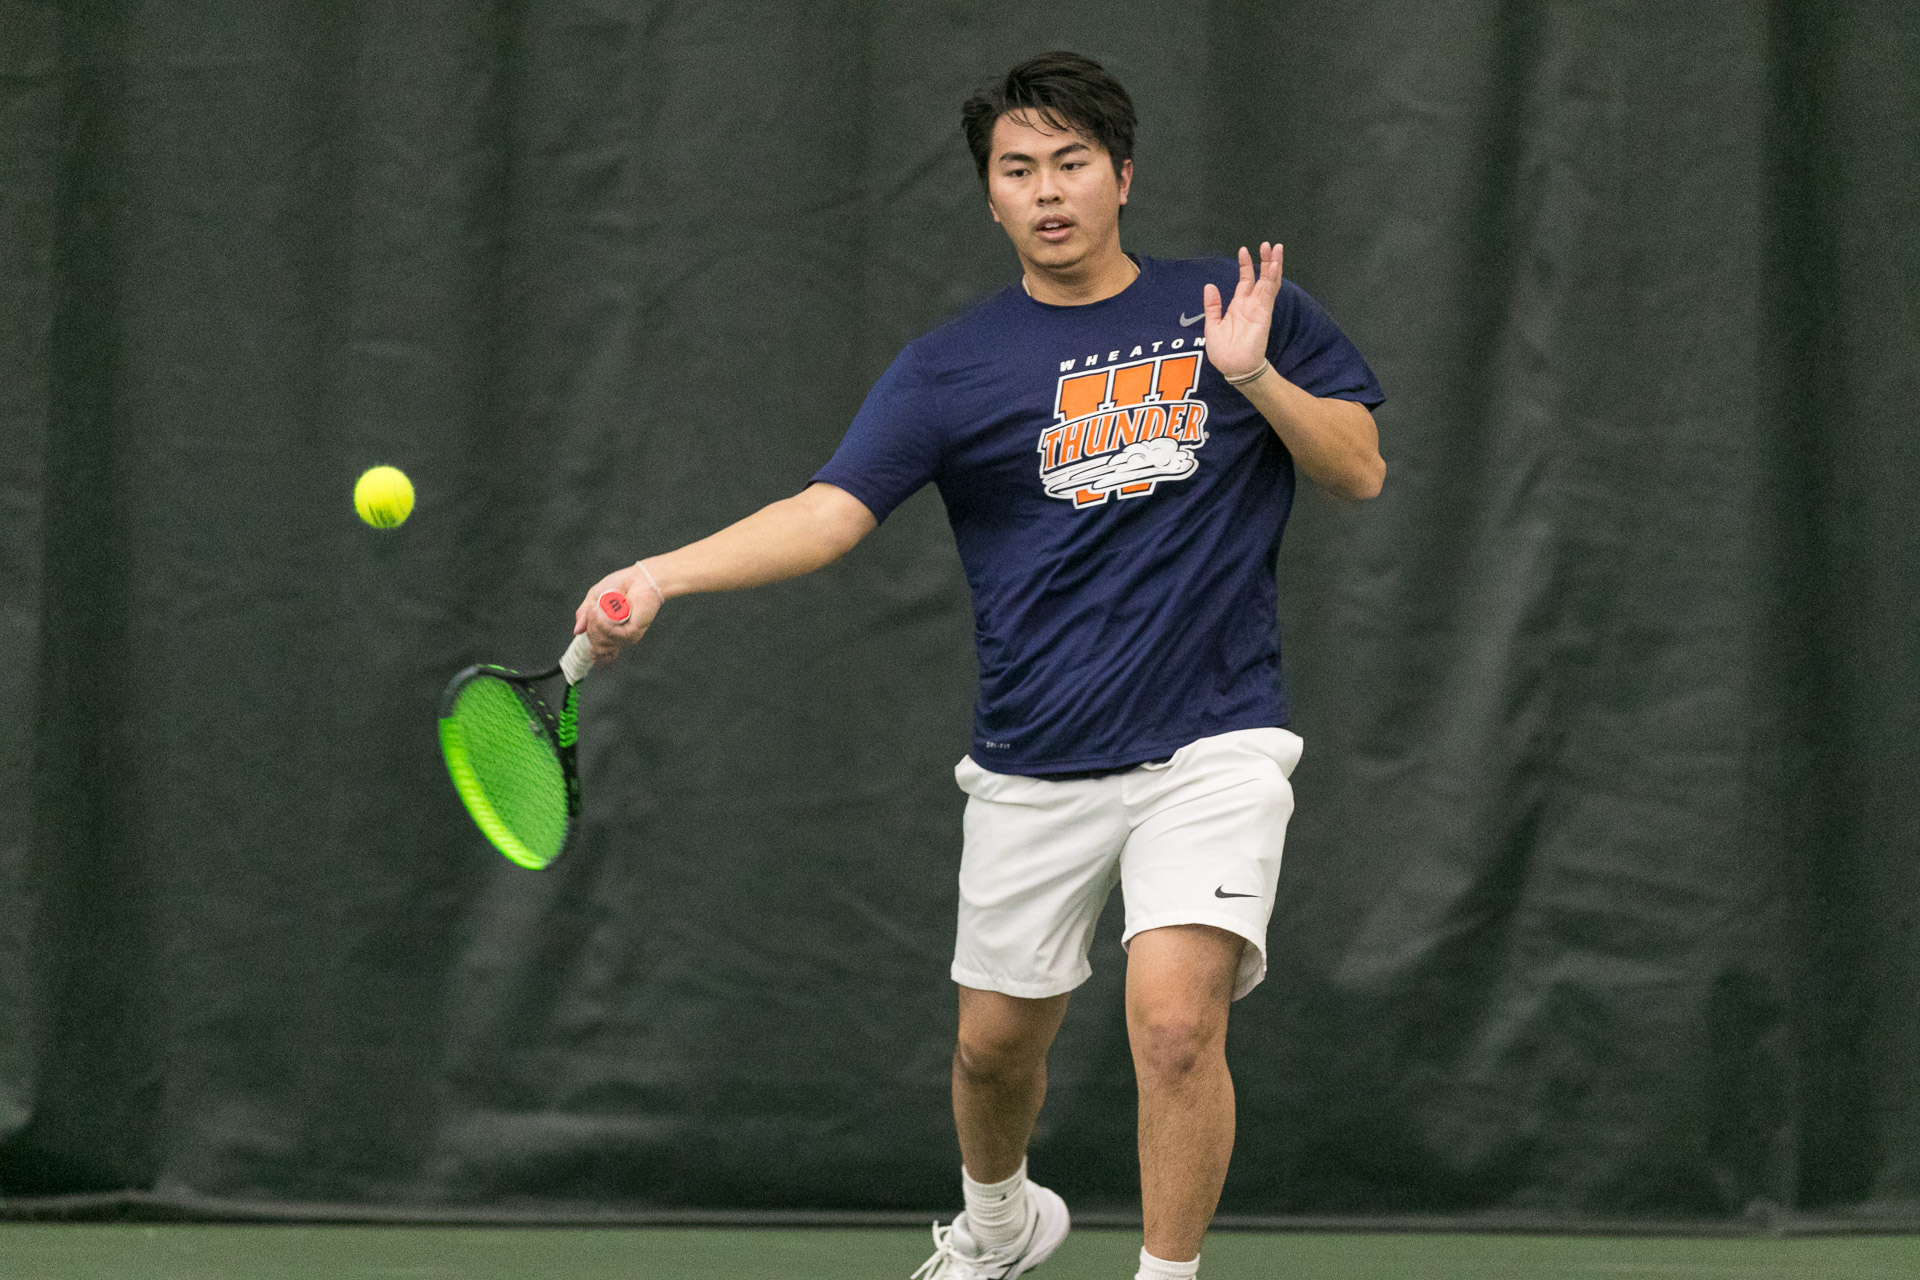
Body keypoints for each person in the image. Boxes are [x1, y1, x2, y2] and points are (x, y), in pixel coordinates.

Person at [575, 50, 1384, 1280]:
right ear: (991, 197)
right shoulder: (950, 368)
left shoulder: (1236, 306)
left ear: (1122, 175)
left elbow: (1359, 467)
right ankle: (1000, 1225)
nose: (1048, 190)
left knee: (1174, 1024)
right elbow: (830, 512)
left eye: (1071, 163)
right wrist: (665, 572)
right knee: (992, 1051)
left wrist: (1255, 375)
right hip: (1034, 759)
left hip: (1215, 741)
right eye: (1019, 171)